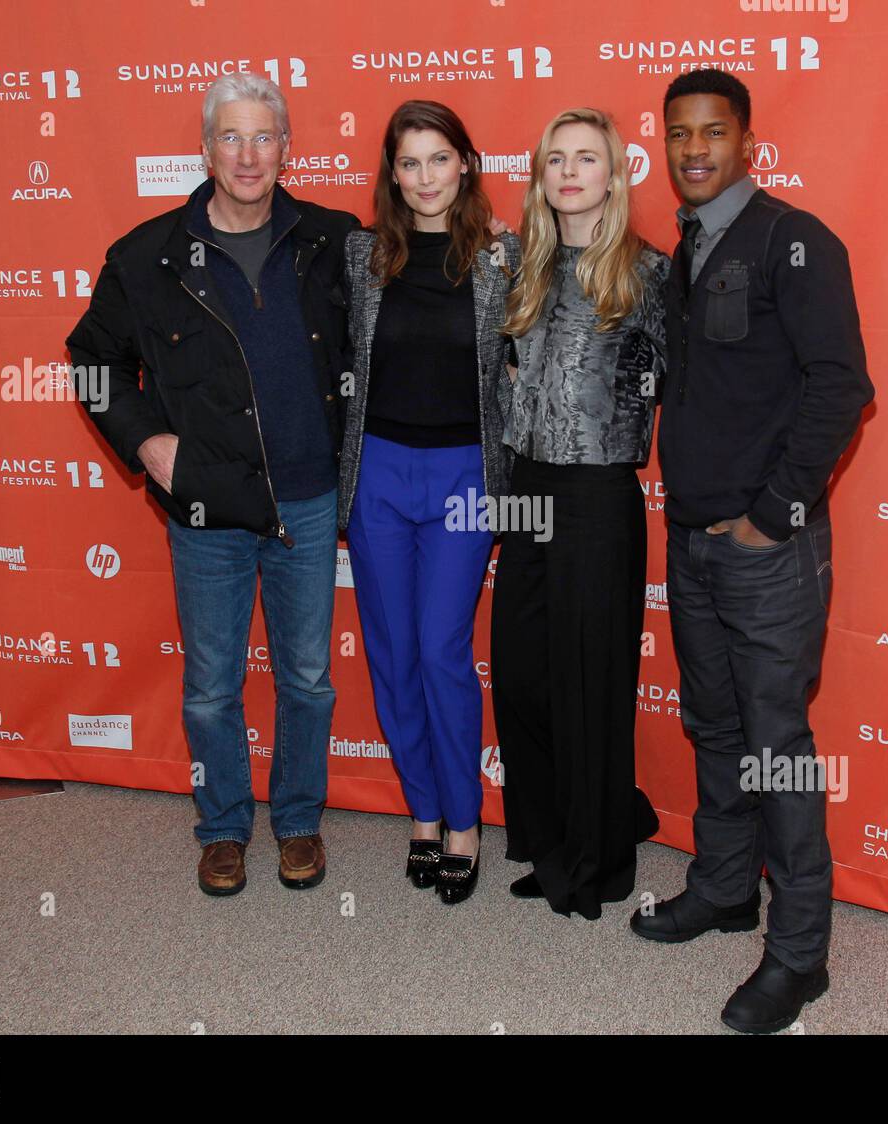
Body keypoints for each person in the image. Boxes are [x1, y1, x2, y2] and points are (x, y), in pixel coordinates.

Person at [66, 73, 358, 897]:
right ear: (205, 150)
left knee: (306, 677)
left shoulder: (333, 240)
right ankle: (224, 827)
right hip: (203, 506)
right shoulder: (147, 255)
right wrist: (146, 439)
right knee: (209, 686)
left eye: (264, 137)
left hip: (307, 498)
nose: (248, 155)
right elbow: (90, 363)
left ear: (286, 148)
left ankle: (298, 821)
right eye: (230, 137)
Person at [630, 70, 874, 1033]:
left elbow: (841, 385)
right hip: (691, 539)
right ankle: (726, 888)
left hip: (765, 548)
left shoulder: (794, 241)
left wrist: (774, 512)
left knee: (778, 747)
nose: (694, 150)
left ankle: (800, 952)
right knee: (716, 727)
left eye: (713, 133)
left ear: (746, 141)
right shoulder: (686, 250)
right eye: (679, 134)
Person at [339, 100, 519, 905]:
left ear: (465, 165)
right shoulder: (361, 255)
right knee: (390, 649)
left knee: (442, 646)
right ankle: (421, 808)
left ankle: (464, 819)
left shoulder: (503, 256)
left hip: (463, 478)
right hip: (376, 469)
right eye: (408, 163)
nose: (424, 178)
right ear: (392, 173)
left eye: (438, 159)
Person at [491, 107, 668, 921]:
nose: (569, 171)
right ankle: (551, 837)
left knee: (591, 686)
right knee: (525, 678)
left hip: (598, 494)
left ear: (614, 174)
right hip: (527, 485)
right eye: (554, 157)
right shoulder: (520, 267)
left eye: (586, 158)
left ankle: (597, 860)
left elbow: (698, 390)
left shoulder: (650, 273)